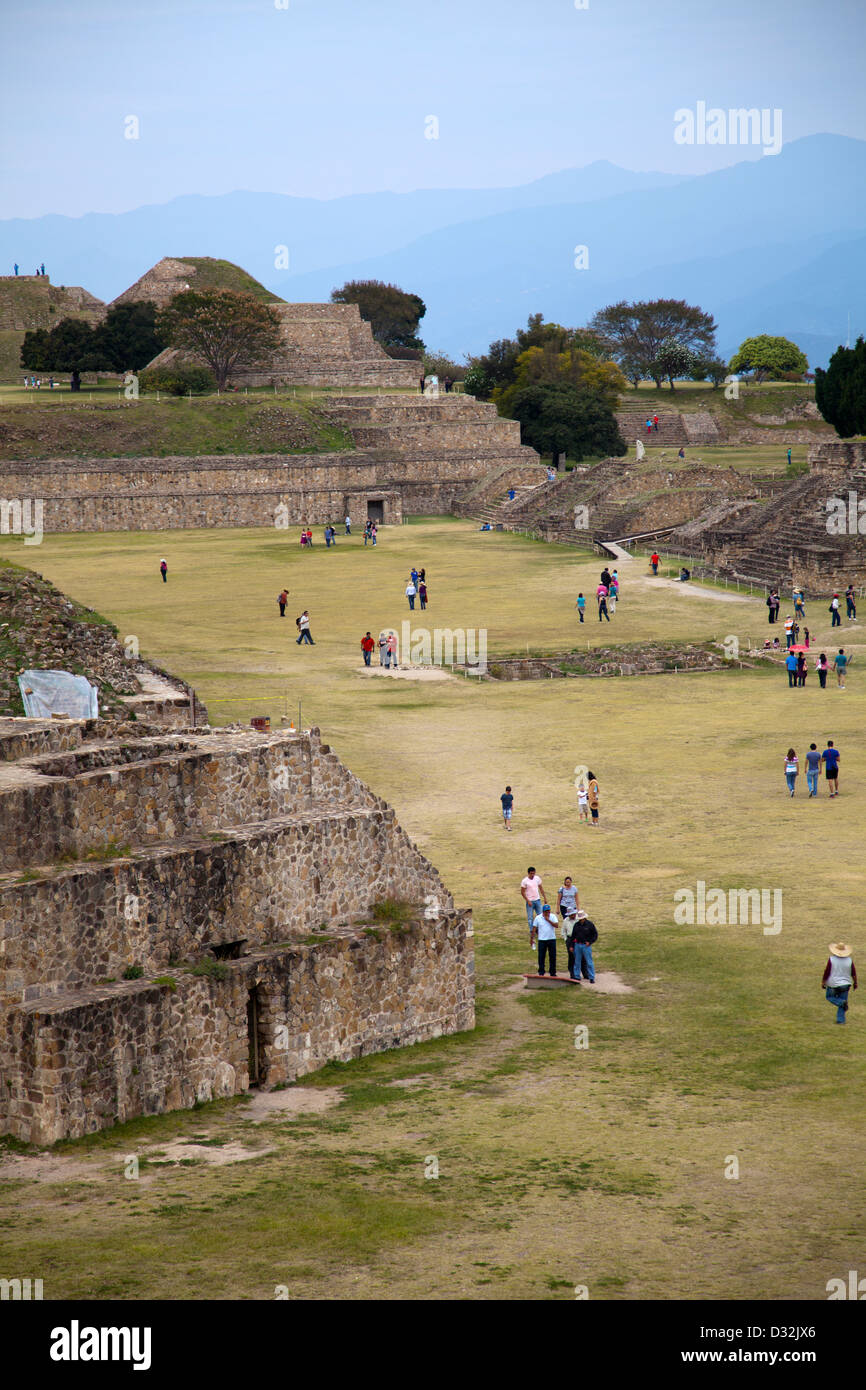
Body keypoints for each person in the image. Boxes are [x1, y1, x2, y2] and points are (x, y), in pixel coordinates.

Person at [822, 942, 857, 1024]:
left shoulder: (831, 959)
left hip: (833, 984)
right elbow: (853, 973)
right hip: (845, 984)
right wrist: (855, 983)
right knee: (843, 999)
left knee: (829, 997)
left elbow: (827, 972)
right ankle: (841, 1020)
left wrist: (823, 982)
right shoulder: (849, 960)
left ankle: (841, 1003)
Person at [557, 877, 579, 975]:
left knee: (573, 921)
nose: (568, 884)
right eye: (566, 882)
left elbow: (577, 898)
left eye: (569, 882)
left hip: (573, 906)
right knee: (566, 921)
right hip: (564, 907)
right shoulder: (561, 889)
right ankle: (567, 933)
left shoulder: (574, 889)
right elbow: (559, 899)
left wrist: (578, 908)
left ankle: (573, 933)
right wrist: (557, 908)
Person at [569, 909, 598, 983]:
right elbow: (573, 936)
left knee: (589, 962)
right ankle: (577, 976)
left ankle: (591, 977)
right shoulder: (576, 925)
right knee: (577, 962)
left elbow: (595, 935)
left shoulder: (590, 924)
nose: (581, 920)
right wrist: (572, 946)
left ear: (584, 918)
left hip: (586, 945)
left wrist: (590, 942)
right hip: (577, 945)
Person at [520, 867, 545, 946]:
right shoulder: (525, 881)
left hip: (537, 900)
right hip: (530, 901)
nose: (533, 875)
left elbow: (541, 888)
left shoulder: (537, 879)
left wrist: (544, 897)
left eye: (534, 873)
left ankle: (540, 929)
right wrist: (528, 900)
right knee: (530, 917)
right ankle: (532, 931)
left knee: (540, 915)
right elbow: (522, 892)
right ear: (528, 873)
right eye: (531, 873)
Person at [533, 904, 559, 977]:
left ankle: (552, 972)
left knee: (552, 956)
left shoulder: (553, 916)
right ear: (543, 911)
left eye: (548, 911)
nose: (547, 913)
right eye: (546, 911)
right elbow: (534, 928)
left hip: (551, 939)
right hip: (542, 940)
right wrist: (532, 938)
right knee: (541, 957)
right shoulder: (538, 918)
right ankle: (541, 972)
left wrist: (548, 920)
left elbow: (556, 925)